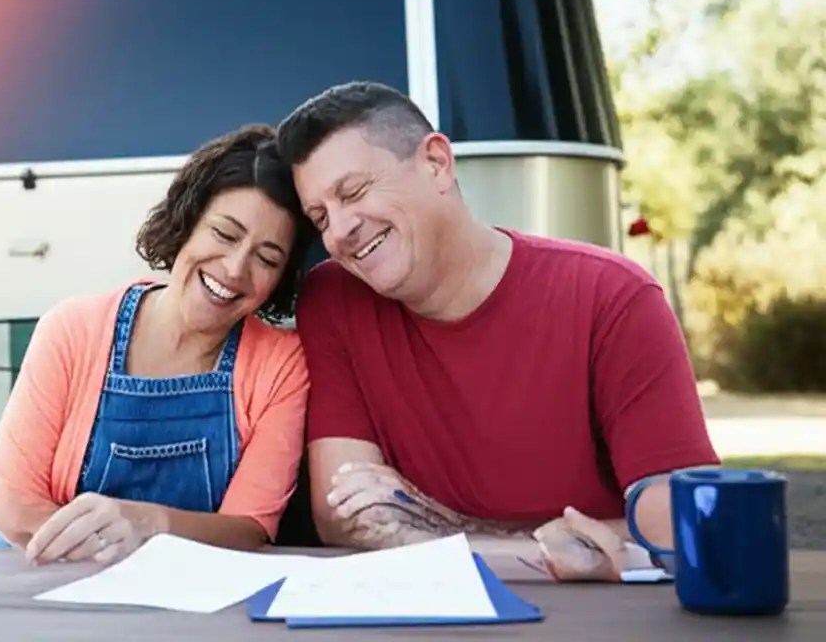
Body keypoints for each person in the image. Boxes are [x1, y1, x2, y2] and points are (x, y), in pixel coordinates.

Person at [274, 81, 720, 582]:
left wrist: (427, 525)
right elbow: (346, 516)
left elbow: (688, 524)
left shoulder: (611, 297)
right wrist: (539, 552)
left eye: (353, 192)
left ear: (437, 164)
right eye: (320, 217)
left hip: (594, 619)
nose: (339, 231)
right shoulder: (334, 300)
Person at [0, 124, 313, 566]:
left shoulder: (282, 364)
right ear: (187, 220)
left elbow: (251, 529)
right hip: (67, 598)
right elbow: (12, 505)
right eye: (224, 233)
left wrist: (149, 525)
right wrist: (106, 549)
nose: (236, 269)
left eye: (267, 258)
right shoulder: (70, 331)